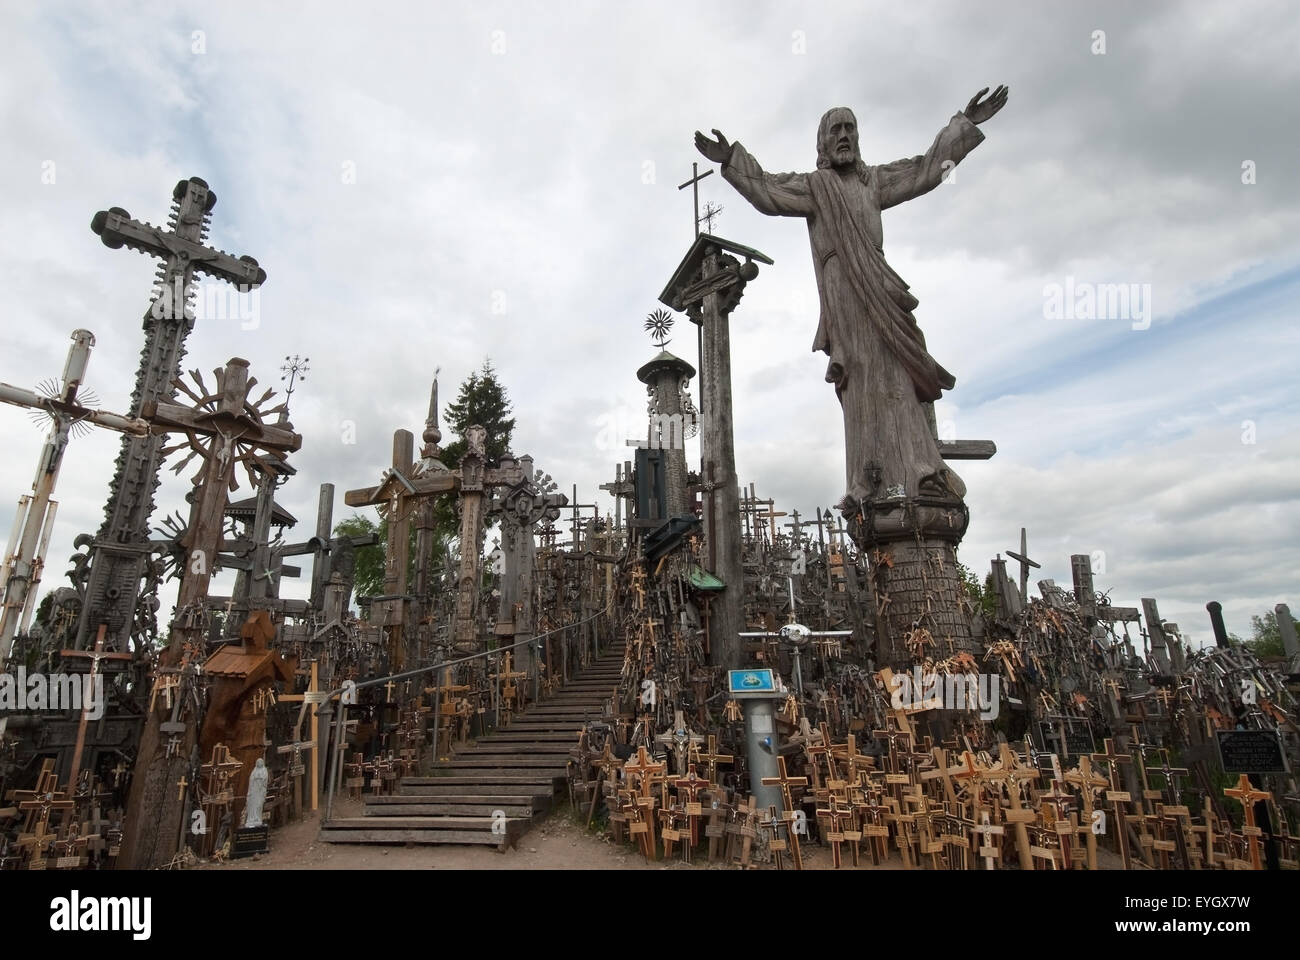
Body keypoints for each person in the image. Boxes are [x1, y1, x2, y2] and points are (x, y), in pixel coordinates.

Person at [694, 87, 1008, 510]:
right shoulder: (815, 187)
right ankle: (869, 476)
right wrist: (731, 159)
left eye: (850, 128)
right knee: (860, 377)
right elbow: (767, 192)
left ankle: (918, 469)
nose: (844, 136)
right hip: (845, 296)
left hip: (880, 289)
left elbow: (926, 171)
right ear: (822, 144)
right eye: (835, 130)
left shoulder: (874, 181)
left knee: (898, 376)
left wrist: (964, 126)